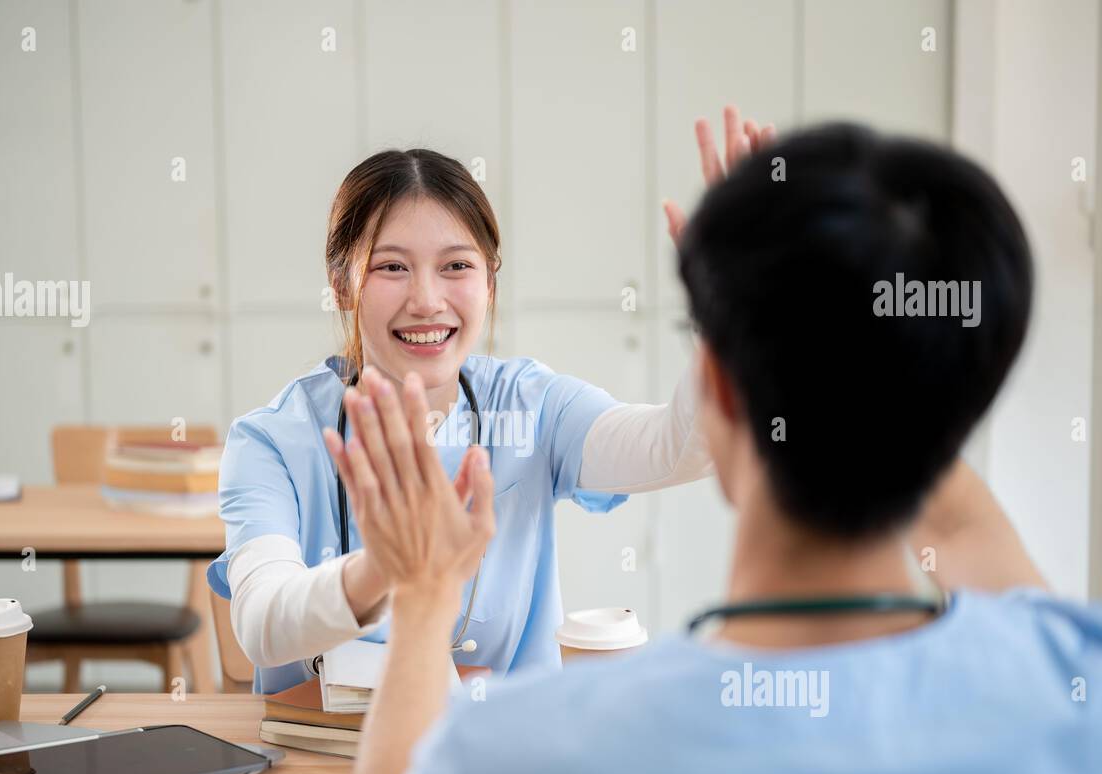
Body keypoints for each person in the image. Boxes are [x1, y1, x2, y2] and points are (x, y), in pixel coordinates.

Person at [330, 122, 1102, 774]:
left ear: (714, 385)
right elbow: (956, 508)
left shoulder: (530, 751)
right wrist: (821, 320)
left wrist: (427, 593)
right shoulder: (1094, 685)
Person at [210, 108, 777, 693]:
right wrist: (386, 567)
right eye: (392, 267)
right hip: (322, 773)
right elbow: (263, 622)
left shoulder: (531, 406)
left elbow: (675, 450)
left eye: (456, 265)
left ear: (490, 283)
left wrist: (728, 312)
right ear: (341, 286)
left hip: (496, 763)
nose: (427, 300)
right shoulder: (273, 440)